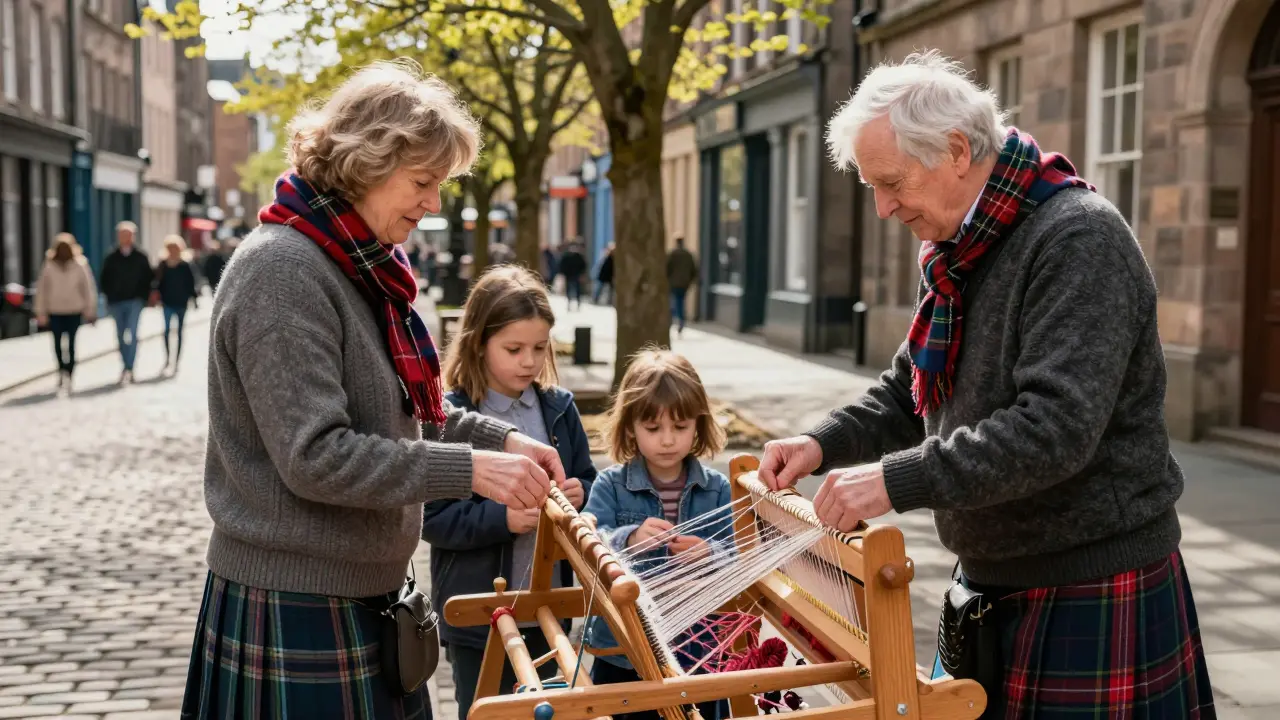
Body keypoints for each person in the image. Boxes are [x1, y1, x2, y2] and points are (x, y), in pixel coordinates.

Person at [759, 51, 1214, 717]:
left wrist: (894, 480)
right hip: (992, 583)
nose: (884, 208)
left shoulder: (1079, 239)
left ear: (954, 151)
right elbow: (912, 388)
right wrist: (821, 443)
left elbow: (1055, 429)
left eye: (892, 183)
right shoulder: (957, 249)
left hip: (1090, 579)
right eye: (872, 189)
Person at [180, 60, 565, 720]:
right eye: (423, 181)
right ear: (366, 162)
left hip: (362, 598)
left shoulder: (357, 267)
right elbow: (318, 456)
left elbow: (406, 410)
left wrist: (503, 437)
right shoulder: (283, 272)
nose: (434, 203)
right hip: (294, 601)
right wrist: (472, 471)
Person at [424, 264, 597, 718]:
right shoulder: (451, 416)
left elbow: (588, 479)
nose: (529, 361)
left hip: (549, 609)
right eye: (514, 348)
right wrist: (502, 520)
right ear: (479, 344)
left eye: (540, 348)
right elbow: (432, 518)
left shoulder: (559, 408)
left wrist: (580, 496)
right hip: (478, 615)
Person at [583, 349, 730, 720]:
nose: (667, 440)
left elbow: (738, 556)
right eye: (653, 428)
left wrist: (709, 553)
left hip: (698, 654)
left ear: (699, 424)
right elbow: (588, 540)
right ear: (631, 426)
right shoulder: (611, 485)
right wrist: (629, 538)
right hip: (623, 653)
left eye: (680, 427)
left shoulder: (717, 490)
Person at [34, 233, 97, 392]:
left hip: (74, 309)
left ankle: (69, 371)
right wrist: (40, 312)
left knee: (71, 343)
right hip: (54, 309)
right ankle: (61, 369)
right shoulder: (49, 265)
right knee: (56, 343)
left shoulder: (80, 264)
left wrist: (89, 309)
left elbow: (88, 288)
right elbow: (42, 289)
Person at [98, 221, 152, 384]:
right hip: (116, 302)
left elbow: (148, 278)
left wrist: (143, 296)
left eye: (128, 235)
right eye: (122, 235)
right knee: (121, 335)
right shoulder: (111, 257)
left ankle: (131, 366)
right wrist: (108, 295)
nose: (125, 238)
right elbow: (104, 279)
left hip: (135, 301)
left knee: (133, 334)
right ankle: (125, 365)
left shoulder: (141, 256)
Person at [154, 235, 200, 375]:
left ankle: (176, 361)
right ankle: (168, 358)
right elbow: (157, 282)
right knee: (167, 331)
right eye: (170, 248)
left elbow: (191, 283)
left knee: (179, 331)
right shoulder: (163, 264)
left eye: (175, 248)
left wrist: (194, 299)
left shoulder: (185, 264)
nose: (173, 251)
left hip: (181, 302)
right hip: (167, 302)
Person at [666, 237, 697, 336]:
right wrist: (689, 281)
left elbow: (666, 268)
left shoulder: (672, 254)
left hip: (673, 283)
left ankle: (672, 321)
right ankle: (681, 321)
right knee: (680, 302)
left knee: (673, 302)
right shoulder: (688, 255)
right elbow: (694, 270)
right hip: (684, 283)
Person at [557, 239, 588, 310]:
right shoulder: (567, 256)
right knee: (570, 289)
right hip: (569, 275)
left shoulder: (578, 256)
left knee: (576, 290)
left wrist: (582, 274)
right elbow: (562, 266)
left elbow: (583, 266)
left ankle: (576, 303)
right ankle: (570, 303)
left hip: (574, 275)